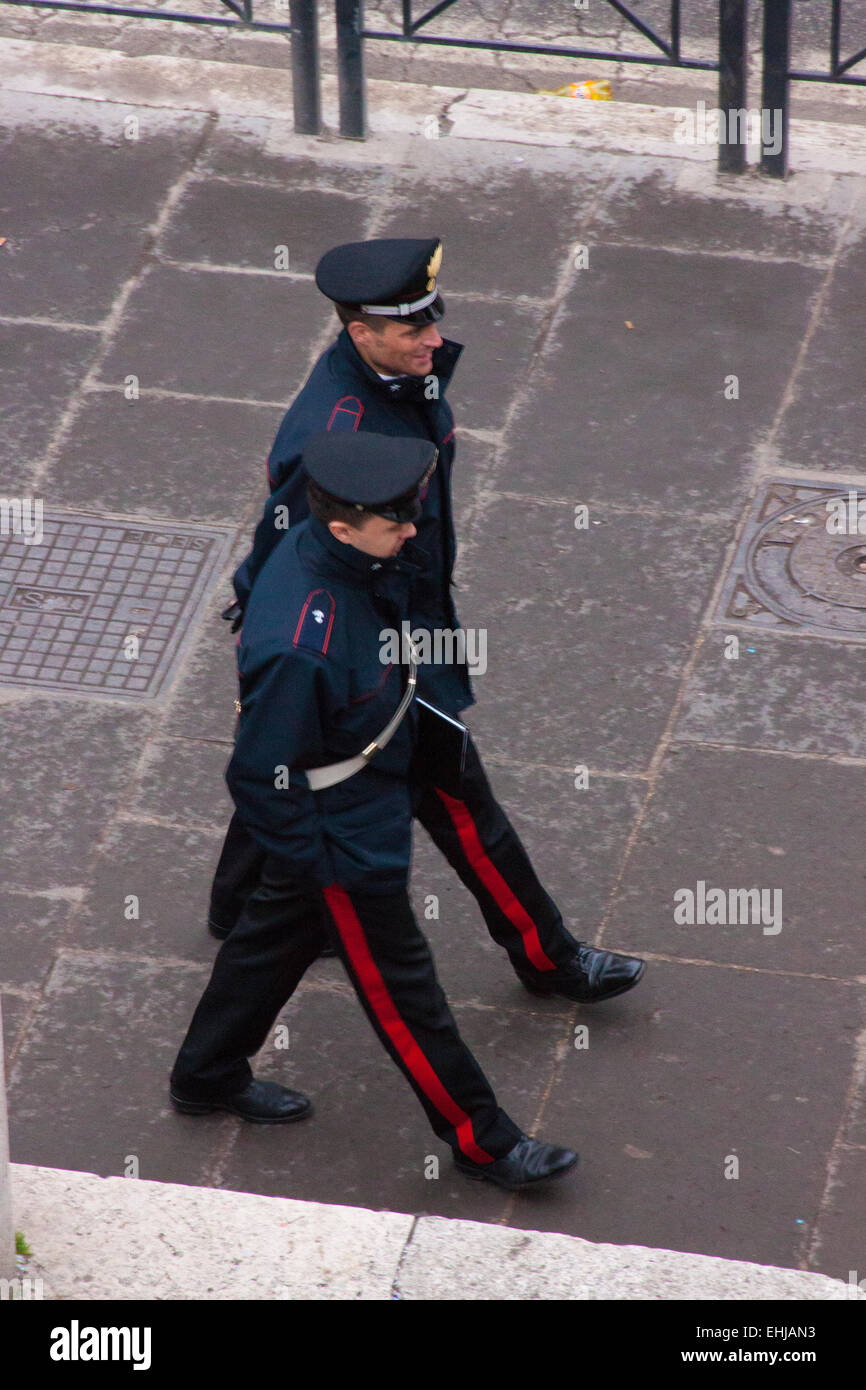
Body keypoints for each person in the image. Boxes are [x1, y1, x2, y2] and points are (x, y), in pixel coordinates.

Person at [210, 235, 645, 1007]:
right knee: (459, 798)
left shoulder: (400, 378)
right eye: (414, 331)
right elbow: (288, 544)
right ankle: (548, 957)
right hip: (379, 638)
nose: (434, 340)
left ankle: (234, 908)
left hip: (409, 609)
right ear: (360, 334)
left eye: (431, 322)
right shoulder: (338, 427)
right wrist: (295, 645)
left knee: (296, 759)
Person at [170, 431, 580, 1191]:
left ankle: (205, 1073)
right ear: (340, 526)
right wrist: (317, 862)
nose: (411, 530)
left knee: (275, 937)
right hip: (341, 830)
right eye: (394, 522)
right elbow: (261, 776)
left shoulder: (349, 548)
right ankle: (484, 1140)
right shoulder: (301, 646)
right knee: (404, 992)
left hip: (380, 753)